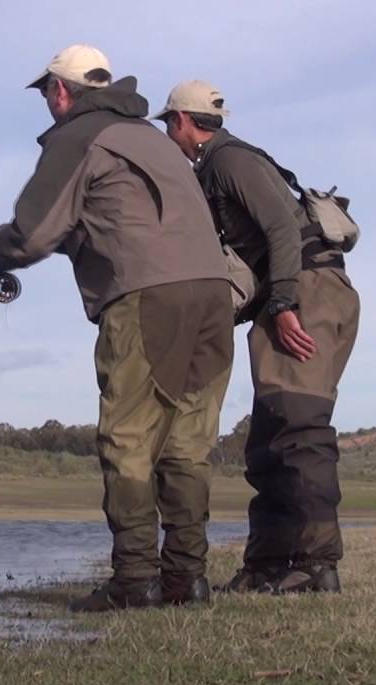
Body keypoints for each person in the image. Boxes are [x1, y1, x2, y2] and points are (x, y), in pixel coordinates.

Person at [0, 46, 234, 611]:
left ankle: (135, 580)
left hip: (149, 296)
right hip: (212, 294)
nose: (47, 104)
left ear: (60, 91)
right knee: (186, 444)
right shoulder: (150, 137)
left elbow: (33, 231)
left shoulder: (79, 135)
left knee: (128, 439)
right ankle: (186, 579)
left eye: (46, 93)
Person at [151, 80, 361, 594]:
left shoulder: (228, 161)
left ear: (182, 121)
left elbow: (284, 233)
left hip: (306, 291)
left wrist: (285, 303)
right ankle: (269, 564)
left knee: (299, 430)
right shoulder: (222, 163)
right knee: (269, 438)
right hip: (298, 291)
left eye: (166, 124)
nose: (167, 134)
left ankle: (314, 566)